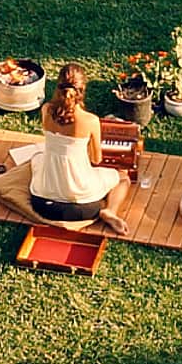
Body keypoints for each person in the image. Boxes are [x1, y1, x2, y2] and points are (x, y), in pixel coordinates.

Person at [29, 63, 131, 235]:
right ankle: (110, 211)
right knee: (123, 178)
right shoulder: (90, 120)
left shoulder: (46, 110)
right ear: (82, 90)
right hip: (82, 202)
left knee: (37, 158)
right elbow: (96, 160)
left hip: (41, 199)